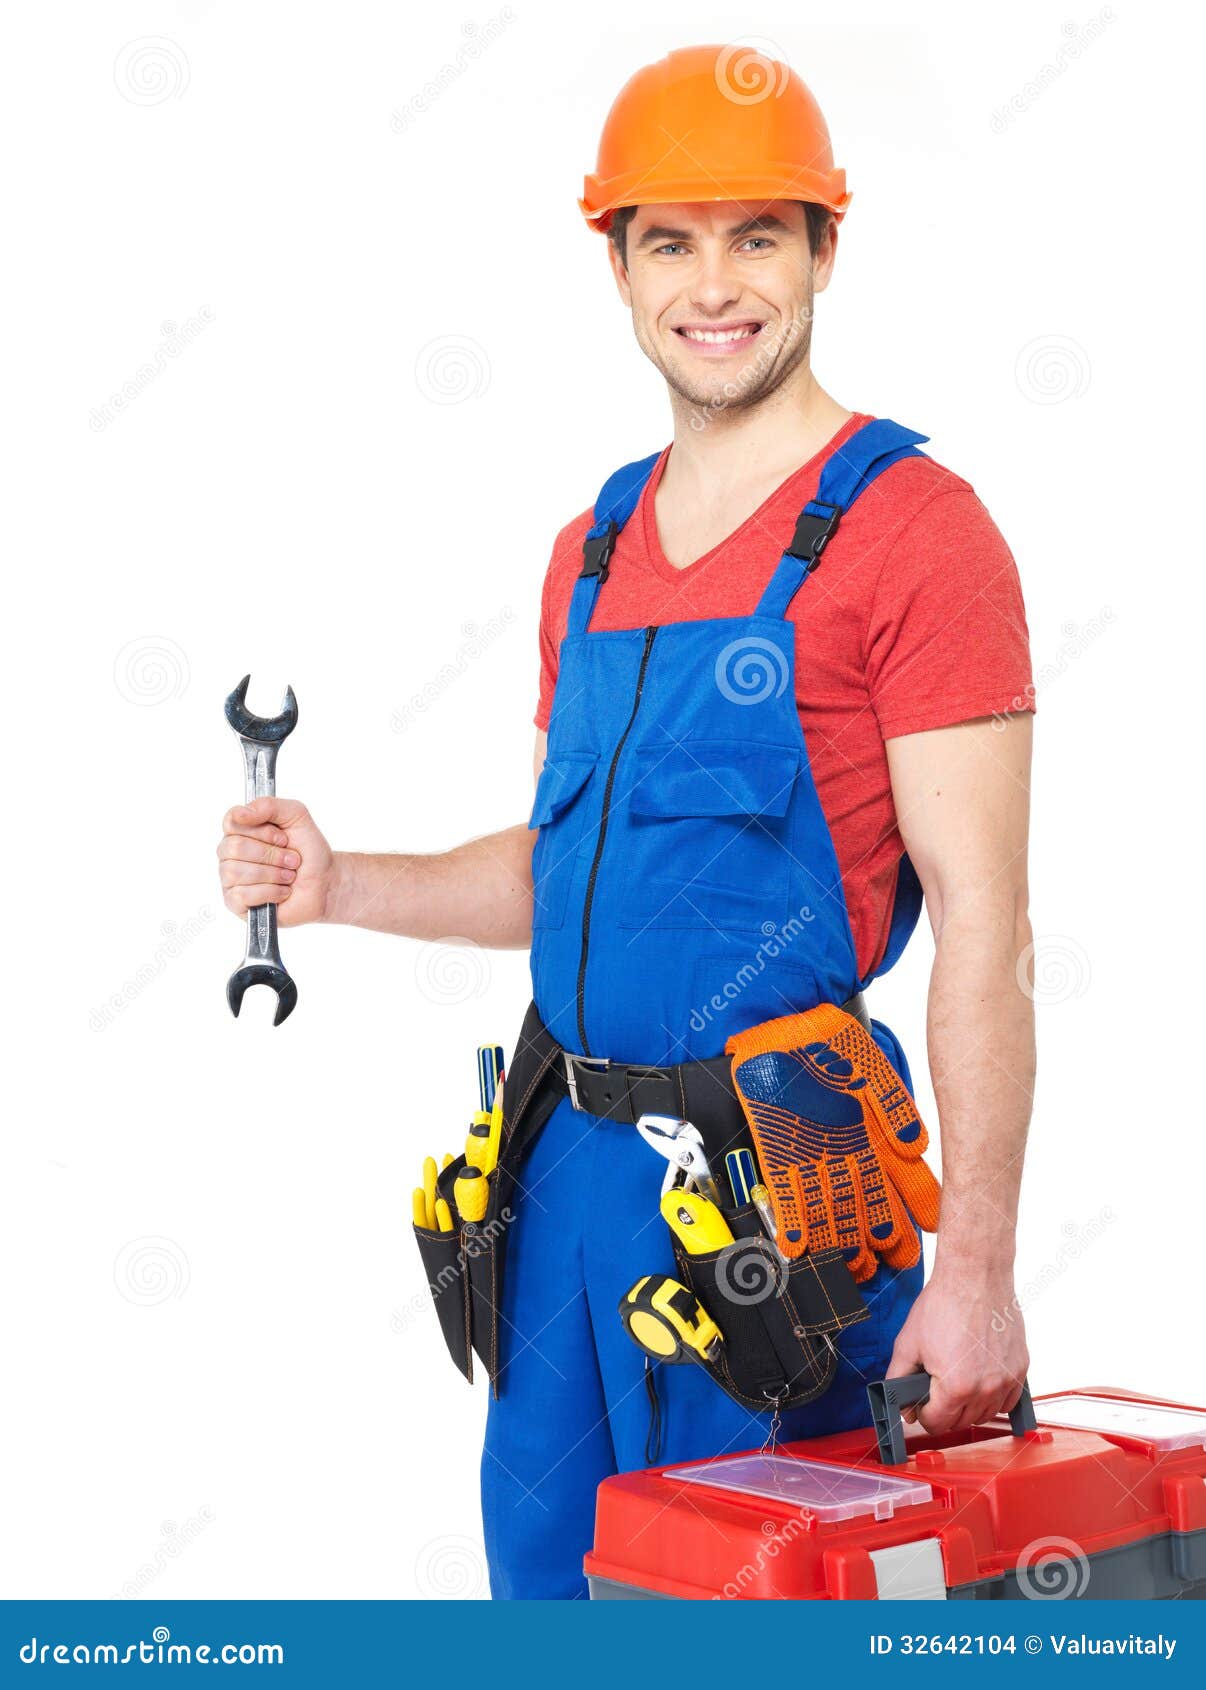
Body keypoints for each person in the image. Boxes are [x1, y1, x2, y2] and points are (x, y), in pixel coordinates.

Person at [217, 45, 1035, 1600]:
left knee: (745, 1608)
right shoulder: (588, 546)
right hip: (559, 1182)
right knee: (546, 1591)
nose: (711, 284)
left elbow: (986, 931)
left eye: (756, 235)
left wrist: (980, 1268)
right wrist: (338, 883)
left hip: (775, 1183)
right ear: (616, 262)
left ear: (822, 250)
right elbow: (557, 869)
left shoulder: (917, 535)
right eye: (668, 238)